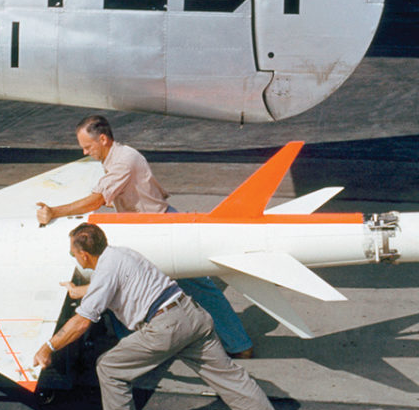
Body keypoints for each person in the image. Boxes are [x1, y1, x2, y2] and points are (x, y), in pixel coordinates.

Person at [34, 223, 293, 410]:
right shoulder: (123, 254)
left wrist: (49, 347)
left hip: (165, 327)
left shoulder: (104, 271)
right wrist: (80, 291)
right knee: (229, 377)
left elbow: (81, 322)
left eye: (72, 254)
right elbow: (110, 285)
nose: (74, 257)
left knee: (110, 367)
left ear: (83, 255)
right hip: (192, 315)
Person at [36, 114, 255, 357]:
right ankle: (134, 345)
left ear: (103, 139)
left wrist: (55, 211)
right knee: (125, 283)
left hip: (161, 227)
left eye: (88, 147)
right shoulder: (114, 157)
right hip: (145, 226)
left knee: (201, 287)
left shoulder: (123, 160)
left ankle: (239, 345)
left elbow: (96, 199)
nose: (86, 153)